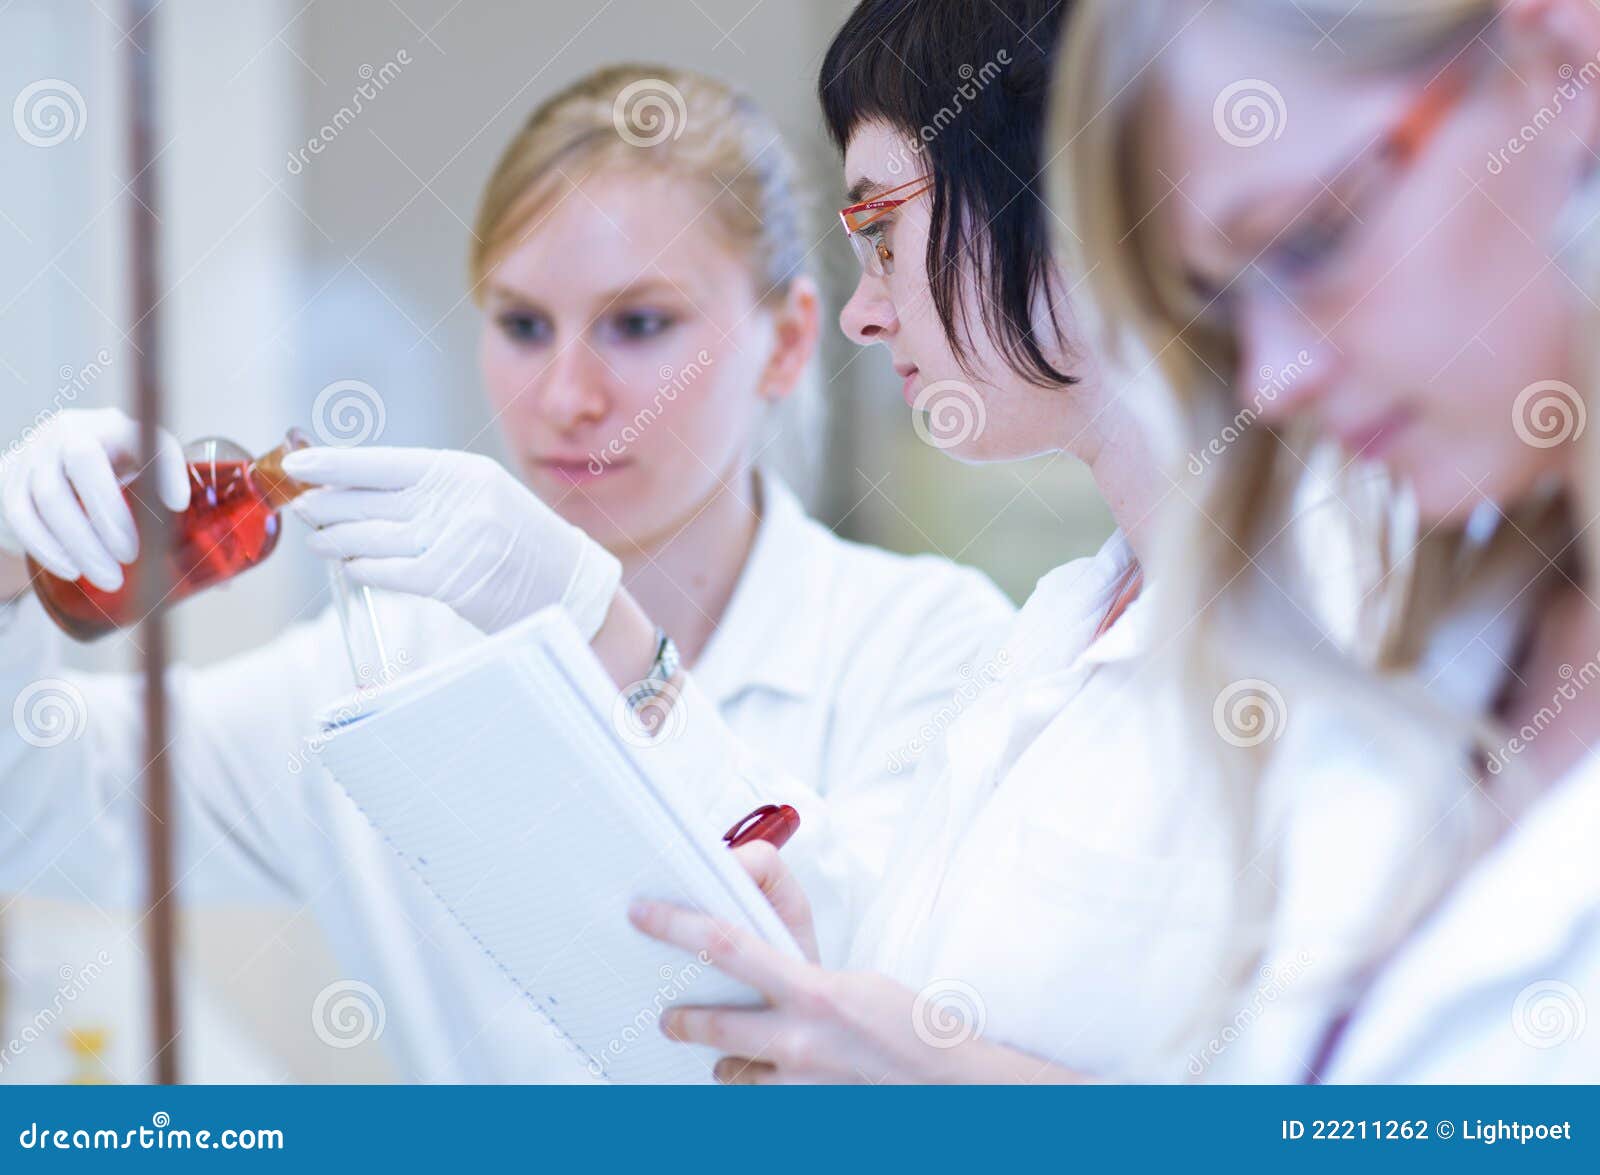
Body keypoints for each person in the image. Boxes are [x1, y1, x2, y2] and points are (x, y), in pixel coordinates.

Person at [0, 64, 1012, 1082]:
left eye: (638, 322)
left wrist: (605, 639)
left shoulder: (931, 648)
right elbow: (31, 808)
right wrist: (5, 561)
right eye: (524, 324)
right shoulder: (374, 669)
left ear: (788, 339)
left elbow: (877, 1011)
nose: (566, 393)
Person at [630, 0, 1428, 1084]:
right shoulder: (1057, 625)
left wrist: (945, 1083)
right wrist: (820, 990)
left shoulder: (1353, 615)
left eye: (881, 233)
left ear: (1065, 193)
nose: (867, 312)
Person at [1054, 0, 1600, 1080]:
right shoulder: (1442, 658)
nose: (1272, 379)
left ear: (1563, 65)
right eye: (1222, 310)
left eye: (1308, 237)